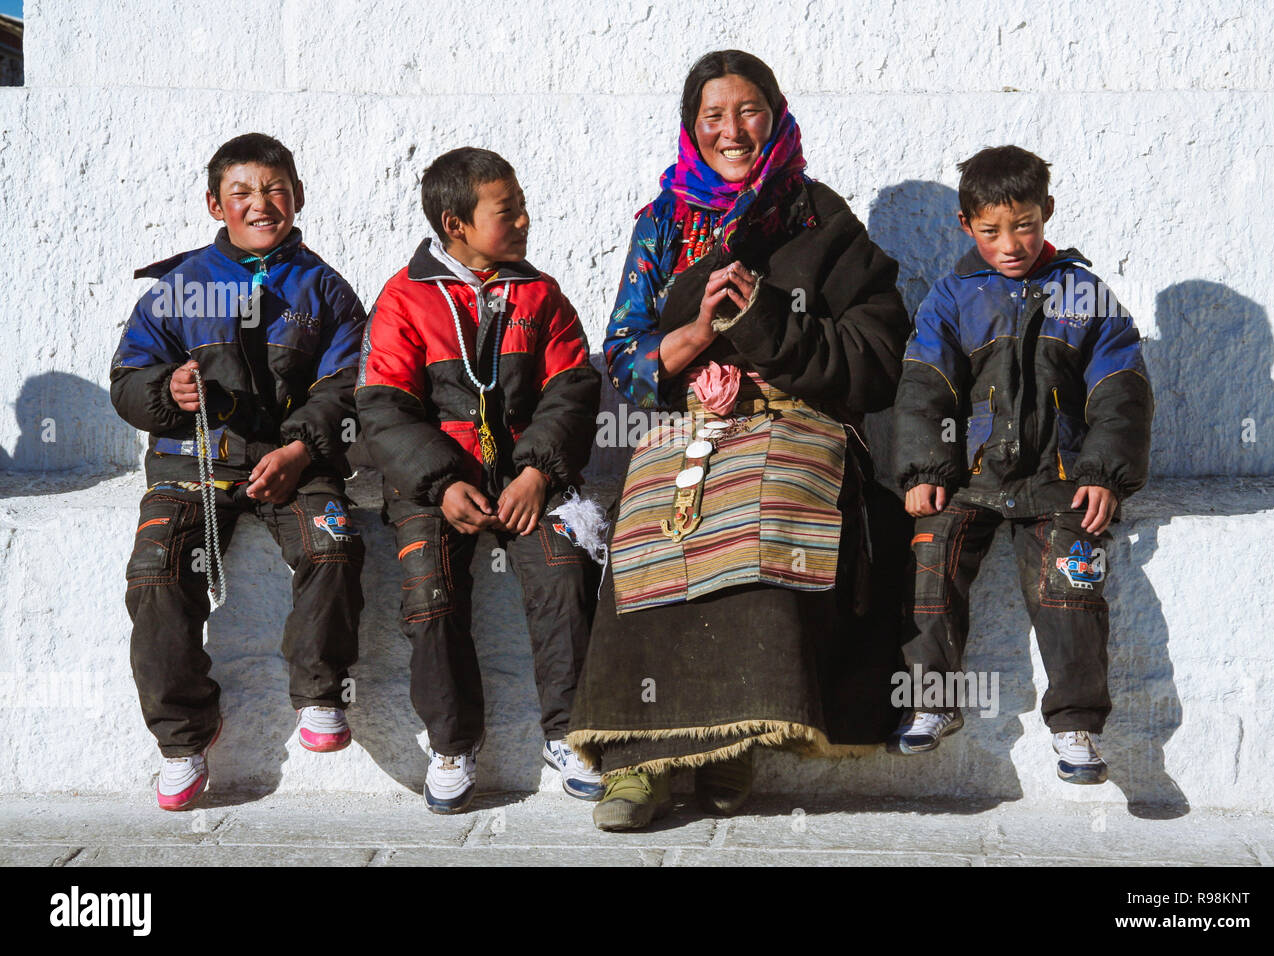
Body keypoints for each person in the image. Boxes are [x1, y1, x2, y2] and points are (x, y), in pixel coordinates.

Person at [567, 50, 912, 830]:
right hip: (690, 424)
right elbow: (623, 353)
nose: (732, 130)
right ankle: (634, 763)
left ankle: (730, 743)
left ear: (778, 112)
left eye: (748, 110)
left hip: (799, 423)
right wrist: (687, 347)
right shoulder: (663, 226)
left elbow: (877, 360)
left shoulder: (823, 223)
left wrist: (764, 327)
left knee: (759, 513)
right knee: (648, 530)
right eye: (712, 117)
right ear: (692, 129)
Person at [111, 132, 368, 811]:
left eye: (276, 189)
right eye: (242, 193)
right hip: (192, 463)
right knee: (156, 576)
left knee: (333, 543)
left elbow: (349, 386)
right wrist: (169, 393)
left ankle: (319, 691)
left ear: (298, 197)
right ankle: (184, 735)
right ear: (214, 204)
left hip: (293, 461)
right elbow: (128, 379)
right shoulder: (180, 288)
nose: (262, 205)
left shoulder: (325, 290)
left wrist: (302, 451)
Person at [892, 144, 1154, 783]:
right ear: (966, 227)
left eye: (1025, 225)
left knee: (1073, 585)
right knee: (932, 557)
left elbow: (1120, 390)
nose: (1010, 243)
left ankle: (1076, 726)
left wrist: (1102, 475)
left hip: (1059, 480)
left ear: (1048, 212)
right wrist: (925, 469)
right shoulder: (951, 298)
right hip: (973, 481)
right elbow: (925, 387)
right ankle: (932, 701)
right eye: (991, 230)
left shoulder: (1084, 295)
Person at [356, 147, 604, 814]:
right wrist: (439, 484)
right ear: (455, 223)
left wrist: (536, 471)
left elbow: (573, 390)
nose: (524, 219)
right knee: (428, 591)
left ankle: (571, 732)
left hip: (530, 481)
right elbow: (384, 407)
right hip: (437, 486)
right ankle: (453, 741)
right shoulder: (406, 298)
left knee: (564, 574)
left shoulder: (540, 294)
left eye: (522, 205)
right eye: (506, 211)